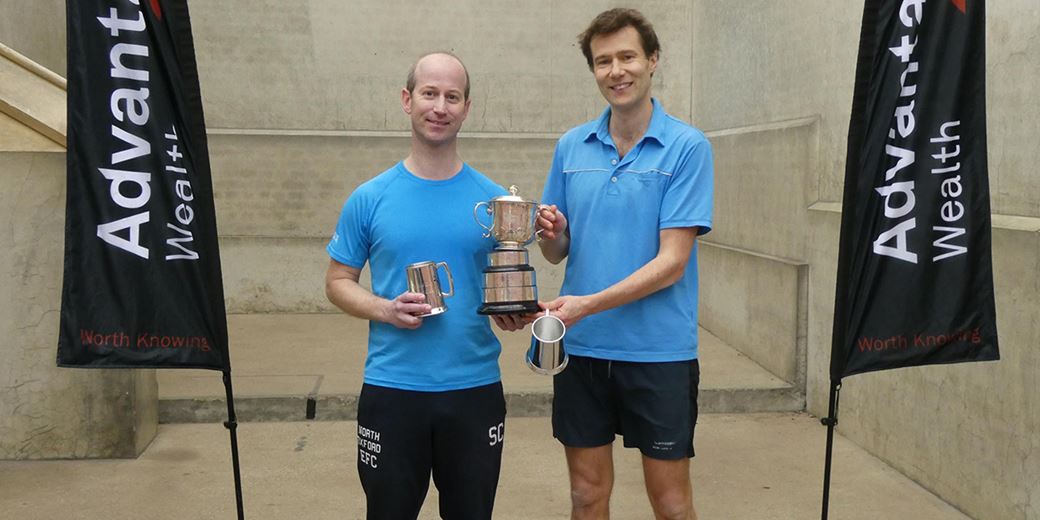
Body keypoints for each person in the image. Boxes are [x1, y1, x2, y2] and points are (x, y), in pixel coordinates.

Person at [534, 8, 714, 520]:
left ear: (652, 60)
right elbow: (555, 251)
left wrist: (587, 305)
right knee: (587, 497)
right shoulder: (571, 147)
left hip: (658, 353)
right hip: (583, 351)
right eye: (603, 61)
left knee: (672, 504)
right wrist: (553, 234)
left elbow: (673, 262)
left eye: (628, 56)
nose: (617, 71)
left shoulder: (687, 147)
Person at [325, 52, 509, 520]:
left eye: (452, 96)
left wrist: (513, 313)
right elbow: (337, 282)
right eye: (429, 93)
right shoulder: (370, 198)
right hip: (393, 391)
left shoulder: (494, 202)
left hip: (474, 390)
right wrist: (385, 309)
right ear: (408, 100)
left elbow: (502, 290)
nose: (439, 106)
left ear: (467, 107)